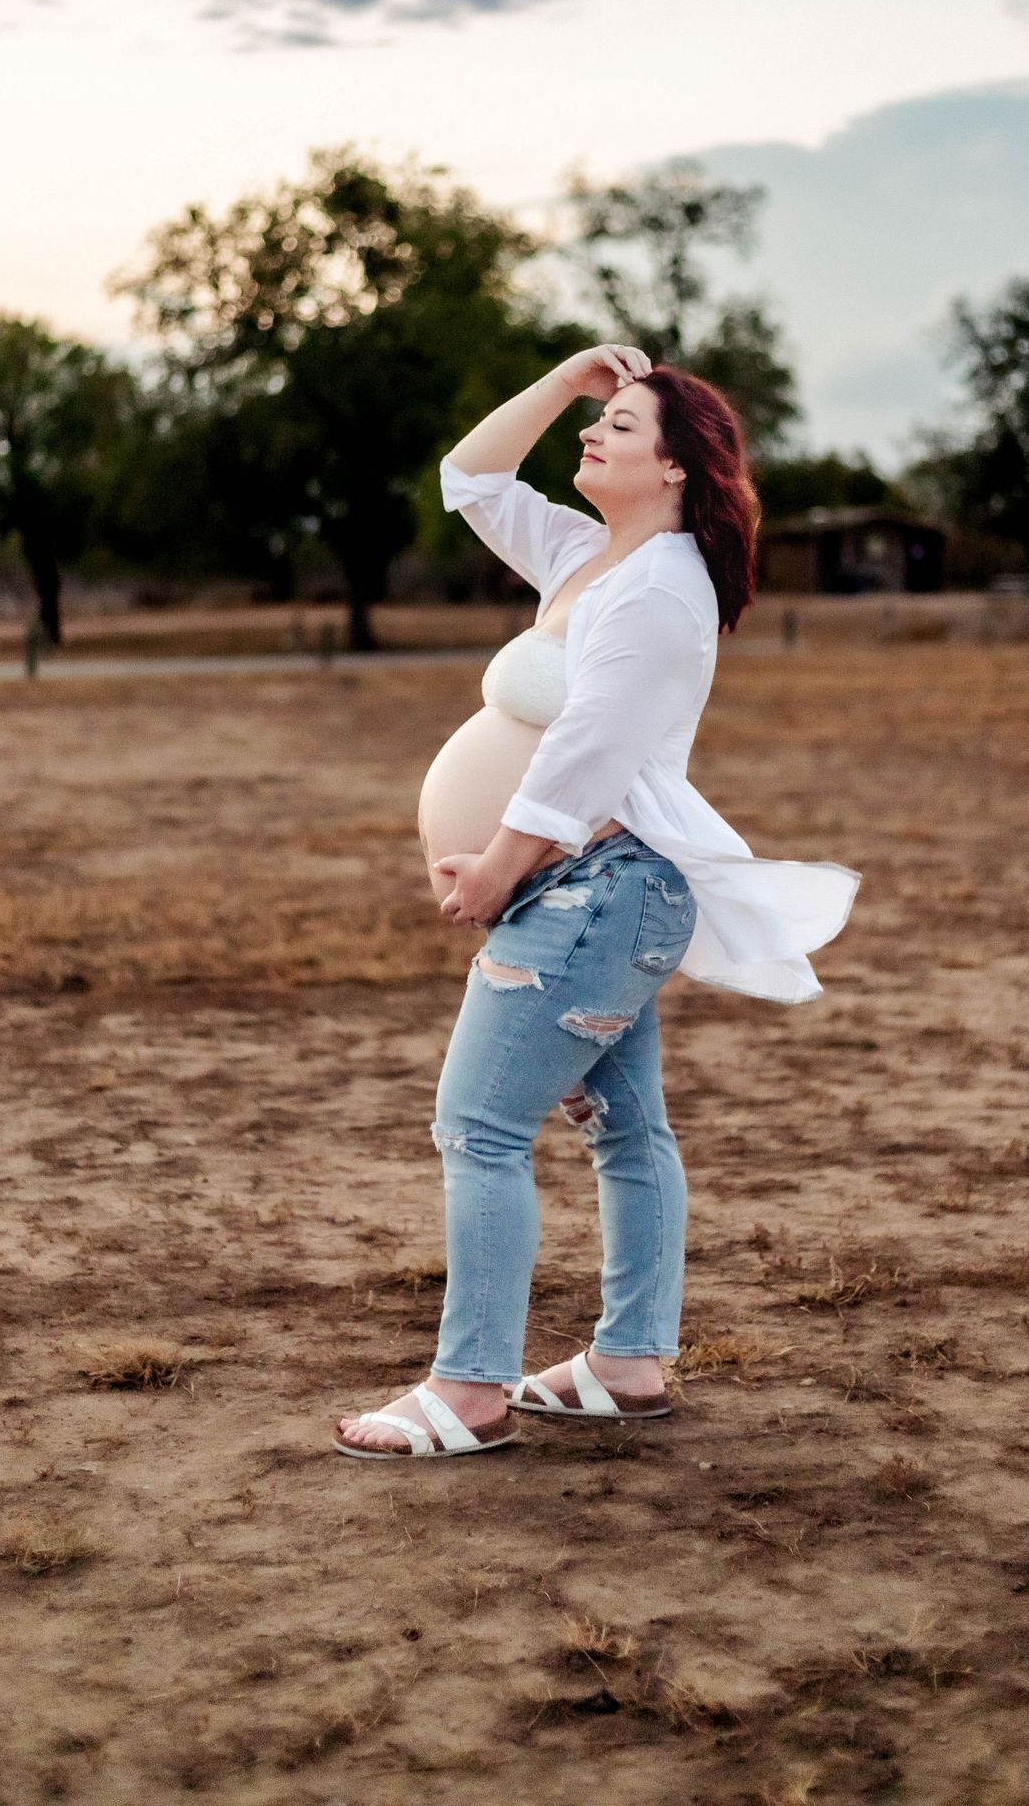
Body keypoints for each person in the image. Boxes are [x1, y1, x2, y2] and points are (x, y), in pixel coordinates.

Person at [333, 346, 860, 1459]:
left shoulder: (663, 587)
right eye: (598, 419)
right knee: (627, 1129)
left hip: (596, 891)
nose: (592, 434)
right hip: (591, 892)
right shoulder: (589, 556)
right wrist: (567, 382)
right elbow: (471, 479)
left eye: (621, 426)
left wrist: (497, 866)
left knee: (478, 1126)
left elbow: (590, 746)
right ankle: (626, 1366)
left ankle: (469, 1391)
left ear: (676, 468)